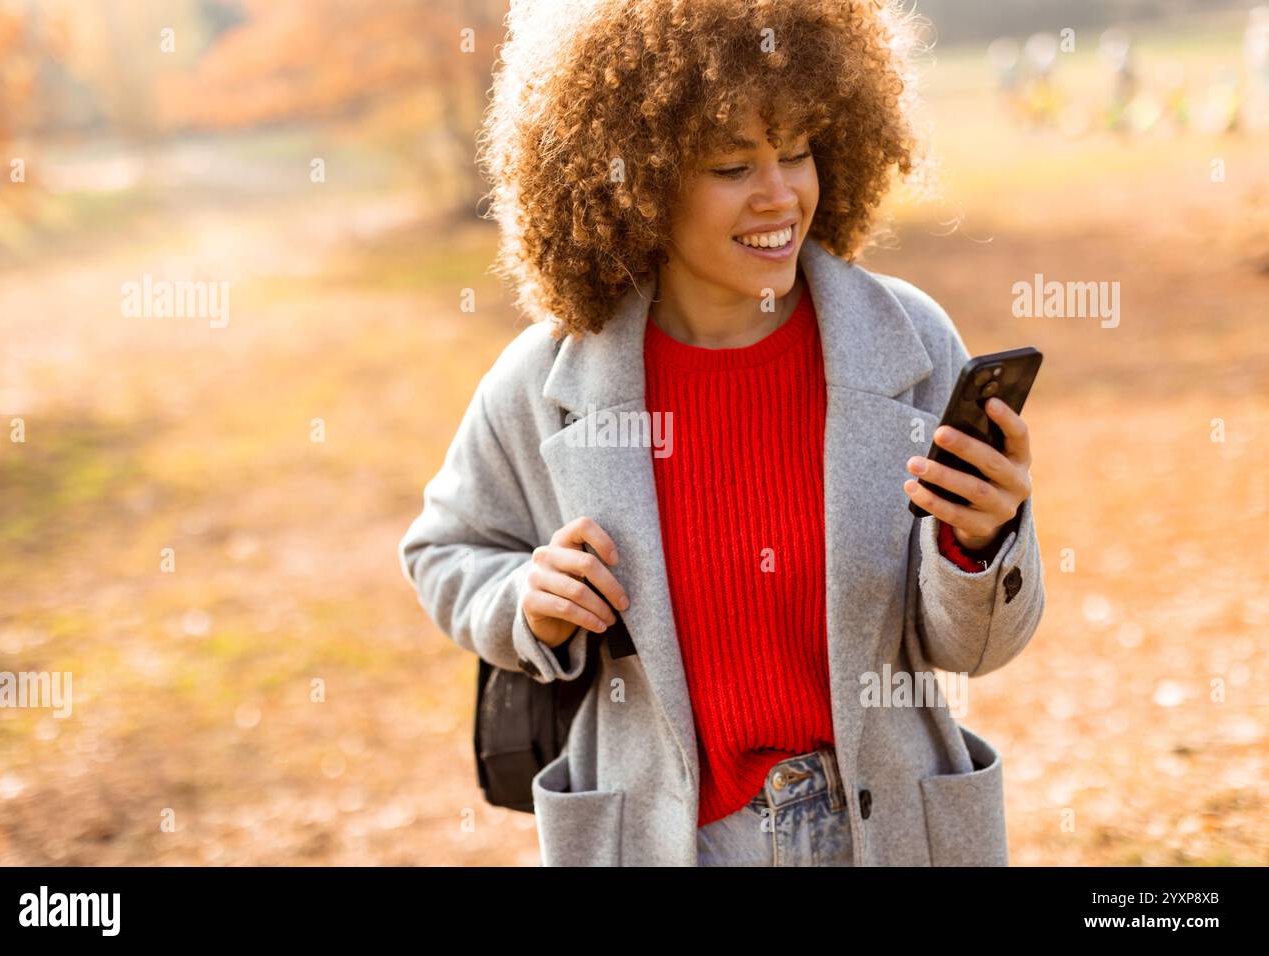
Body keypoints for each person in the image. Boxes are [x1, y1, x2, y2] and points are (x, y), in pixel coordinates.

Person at [400, 0, 1044, 866]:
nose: (781, 194)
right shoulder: (545, 380)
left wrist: (982, 542)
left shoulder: (912, 341)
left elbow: (977, 649)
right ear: (636, 177)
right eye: (733, 164)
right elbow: (446, 550)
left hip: (888, 831)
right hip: (669, 840)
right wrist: (527, 603)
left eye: (800, 149)